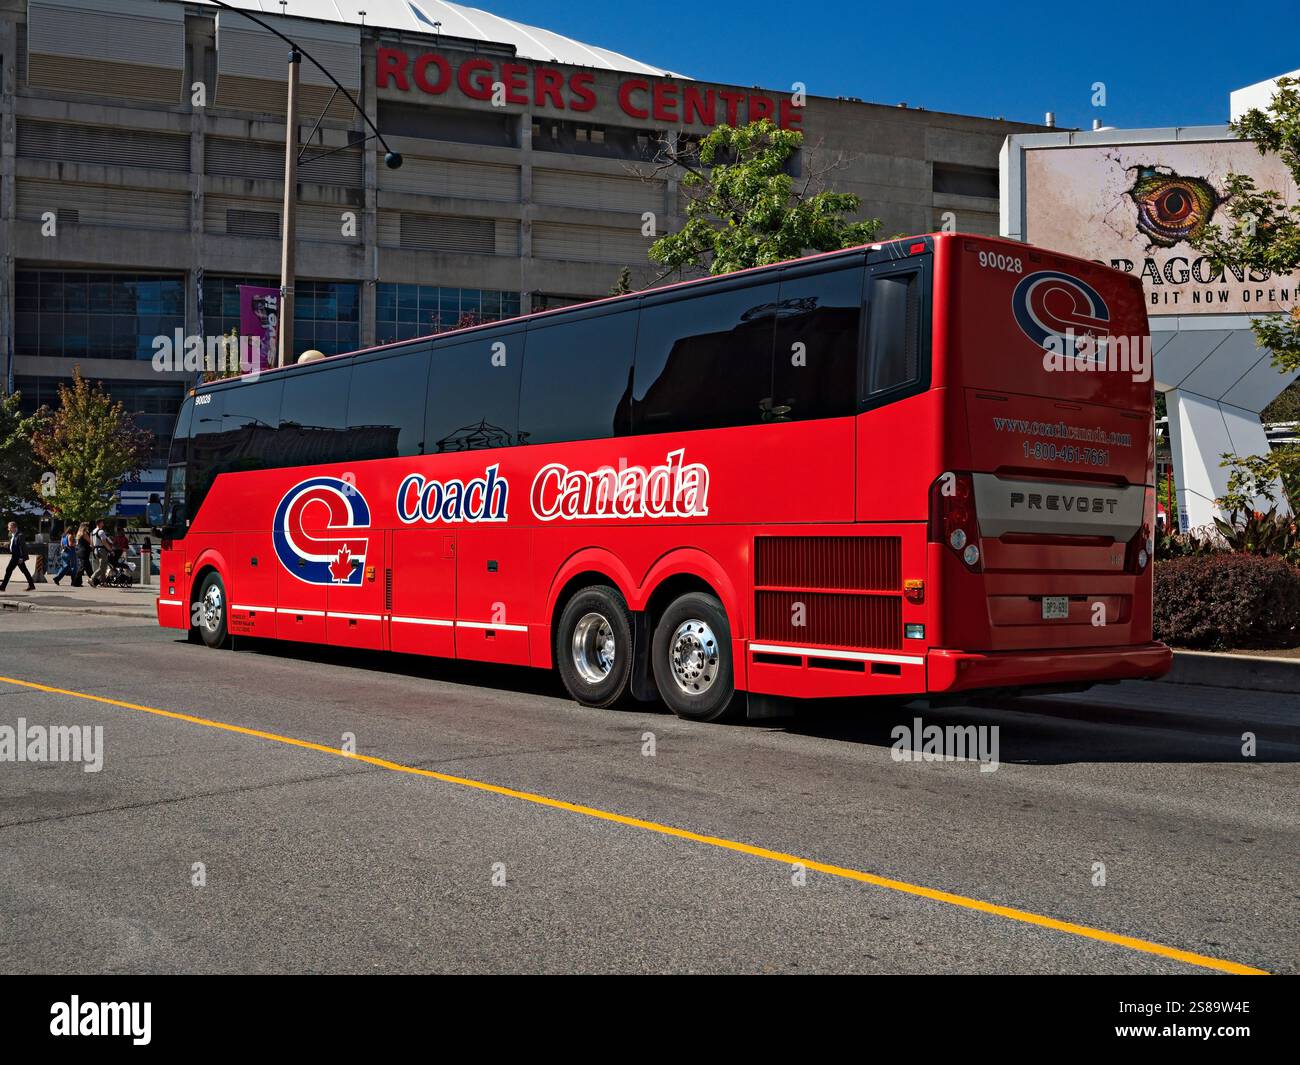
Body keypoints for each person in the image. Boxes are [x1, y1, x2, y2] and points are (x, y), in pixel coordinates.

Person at [1, 521, 36, 592]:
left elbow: (21, 547)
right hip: (15, 555)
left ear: (14, 527)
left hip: (17, 556)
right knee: (24, 570)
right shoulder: (13, 534)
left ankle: (3, 586)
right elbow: (13, 544)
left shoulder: (20, 535)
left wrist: (21, 558)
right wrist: (7, 545)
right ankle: (31, 585)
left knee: (9, 570)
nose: (8, 529)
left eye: (9, 528)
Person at [90, 518, 112, 587]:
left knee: (103, 566)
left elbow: (92, 543)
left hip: (96, 550)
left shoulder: (93, 532)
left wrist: (93, 550)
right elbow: (104, 542)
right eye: (102, 522)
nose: (103, 524)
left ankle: (103, 582)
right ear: (99, 523)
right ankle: (92, 578)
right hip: (102, 550)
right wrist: (110, 550)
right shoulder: (101, 531)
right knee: (102, 567)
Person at [75, 524, 92, 588]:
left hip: (79, 551)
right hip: (84, 551)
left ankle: (78, 582)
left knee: (85, 566)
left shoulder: (78, 533)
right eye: (87, 526)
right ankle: (76, 582)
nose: (88, 527)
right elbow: (90, 541)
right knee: (83, 566)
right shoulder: (84, 533)